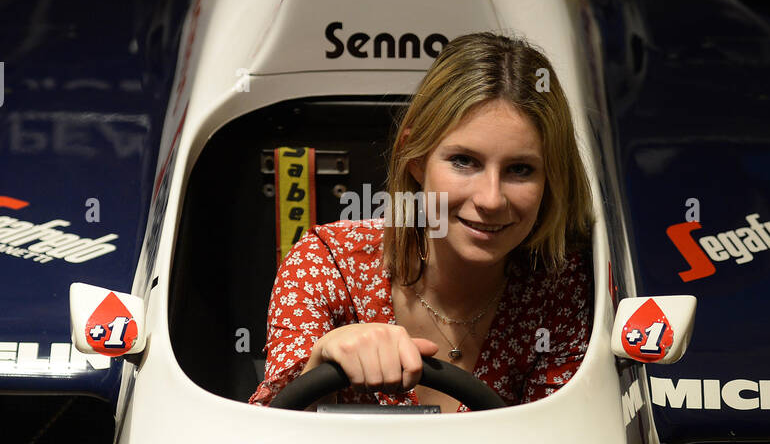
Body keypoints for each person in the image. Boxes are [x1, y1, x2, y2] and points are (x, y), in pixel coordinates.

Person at [249, 31, 596, 412]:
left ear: (551, 179)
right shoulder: (326, 264)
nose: (491, 199)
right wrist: (322, 361)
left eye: (520, 169)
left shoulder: (562, 290)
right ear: (415, 158)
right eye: (464, 161)